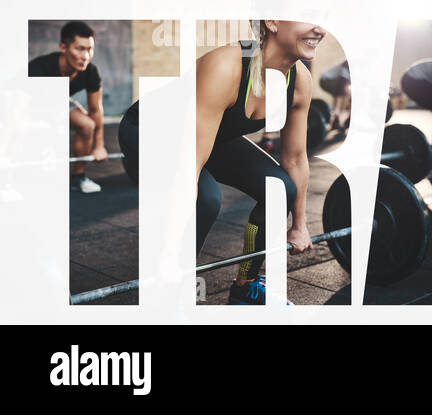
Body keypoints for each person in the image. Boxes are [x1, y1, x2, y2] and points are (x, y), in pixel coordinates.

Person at [119, 20, 321, 304]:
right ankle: (169, 292)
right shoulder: (227, 67)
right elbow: (190, 164)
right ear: (272, 21)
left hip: (209, 134)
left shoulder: (299, 81)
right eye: (307, 15)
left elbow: (296, 158)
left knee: (280, 188)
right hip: (149, 129)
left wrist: (299, 224)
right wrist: (168, 255)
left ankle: (245, 285)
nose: (320, 29)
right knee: (206, 197)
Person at [29, 21, 107, 193]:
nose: (85, 56)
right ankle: (8, 182)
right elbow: (19, 107)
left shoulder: (90, 71)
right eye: (80, 49)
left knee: (87, 124)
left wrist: (99, 146)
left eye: (89, 49)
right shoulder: (39, 69)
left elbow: (95, 110)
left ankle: (78, 177)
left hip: (58, 102)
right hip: (26, 104)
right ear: (63, 47)